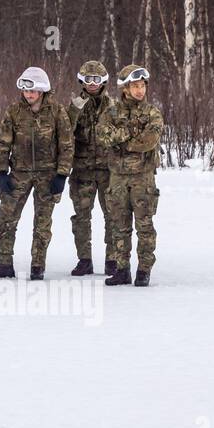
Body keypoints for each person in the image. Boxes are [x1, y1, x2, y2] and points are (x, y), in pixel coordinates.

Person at [0, 66, 74, 281]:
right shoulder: (14, 111)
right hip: (19, 173)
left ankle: (37, 266)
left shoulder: (57, 112)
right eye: (25, 91)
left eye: (32, 91)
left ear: (42, 91)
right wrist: (2, 172)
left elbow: (67, 145)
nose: (28, 95)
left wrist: (61, 175)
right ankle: (4, 264)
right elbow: (3, 142)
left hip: (47, 174)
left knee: (42, 224)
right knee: (6, 220)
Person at [95, 64, 164, 286]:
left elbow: (149, 140)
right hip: (117, 177)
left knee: (144, 225)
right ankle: (122, 269)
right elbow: (102, 135)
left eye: (142, 85)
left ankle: (144, 270)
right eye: (135, 86)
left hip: (142, 177)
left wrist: (123, 143)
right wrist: (126, 134)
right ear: (125, 88)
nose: (140, 90)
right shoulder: (112, 112)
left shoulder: (152, 112)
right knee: (119, 225)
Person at [66, 60, 117, 276]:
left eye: (96, 80)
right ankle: (84, 260)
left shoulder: (114, 106)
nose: (92, 84)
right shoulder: (75, 104)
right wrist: (76, 109)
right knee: (81, 217)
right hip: (82, 170)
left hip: (108, 171)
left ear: (104, 81)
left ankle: (113, 260)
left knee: (113, 216)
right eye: (88, 79)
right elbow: (65, 130)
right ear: (82, 81)